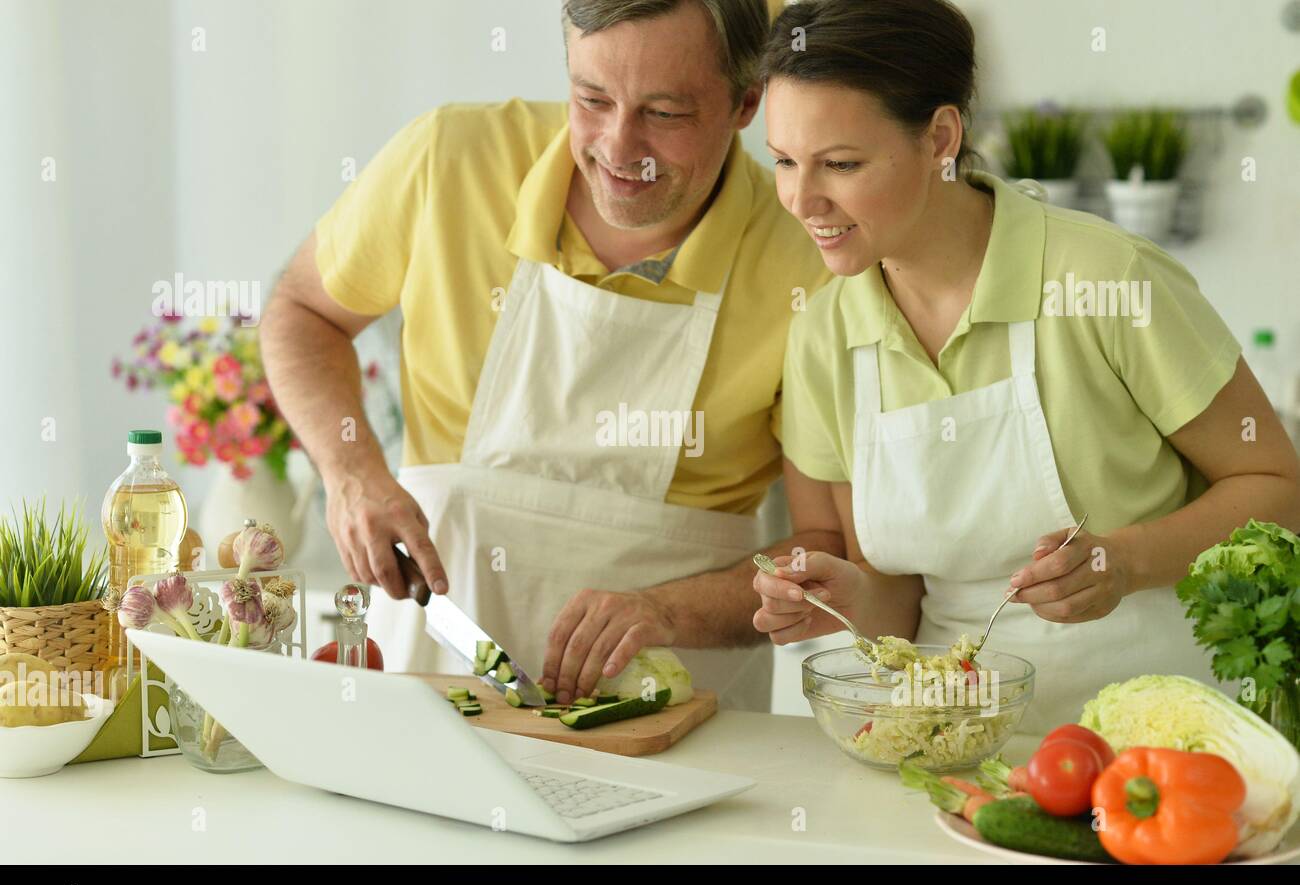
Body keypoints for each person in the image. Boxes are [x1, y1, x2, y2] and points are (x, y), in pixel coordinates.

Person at [261, 0, 834, 710]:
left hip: (677, 716)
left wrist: (667, 612)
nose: (619, 149)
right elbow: (303, 311)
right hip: (428, 677)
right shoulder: (451, 159)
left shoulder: (810, 263)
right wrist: (349, 472)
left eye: (664, 113)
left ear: (747, 102)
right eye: (592, 99)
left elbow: (826, 547)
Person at [750, 0, 1300, 732]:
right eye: (784, 160)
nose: (800, 198)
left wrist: (1125, 560)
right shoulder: (824, 335)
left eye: (841, 163)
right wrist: (842, 595)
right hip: (957, 750)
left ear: (942, 137)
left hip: (1163, 745)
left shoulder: (1106, 277)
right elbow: (899, 602)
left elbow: (1278, 488)